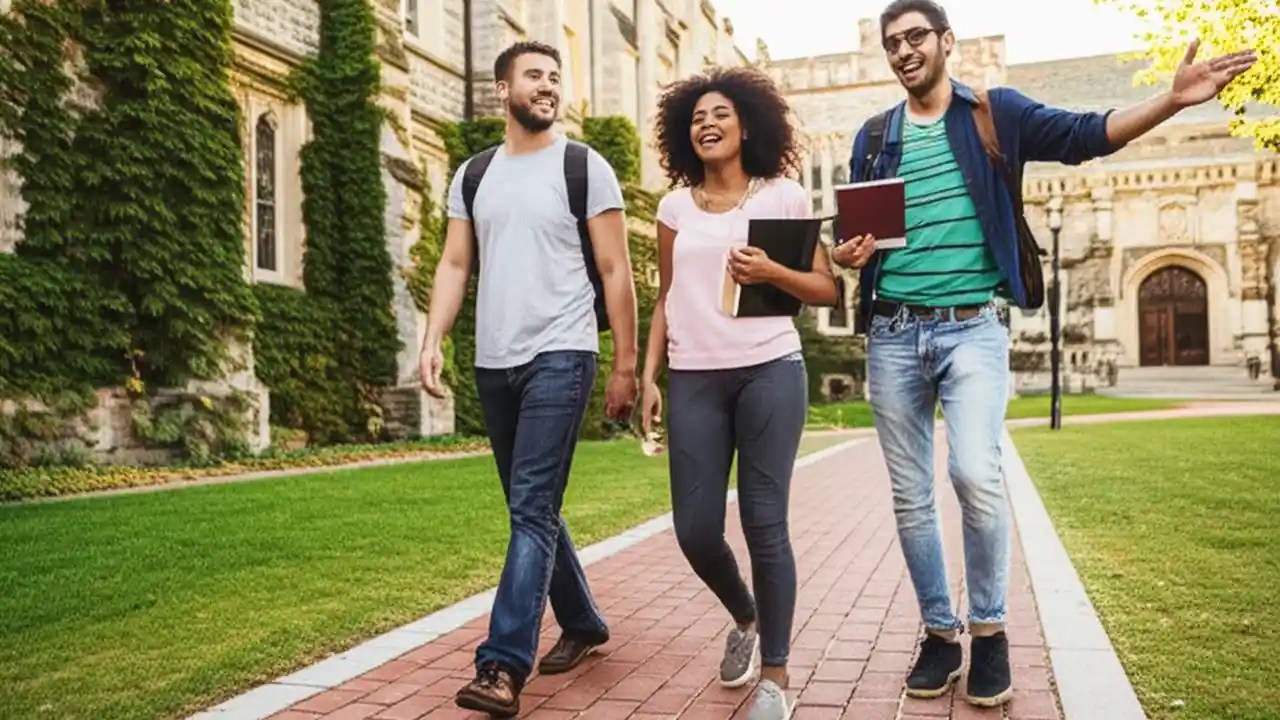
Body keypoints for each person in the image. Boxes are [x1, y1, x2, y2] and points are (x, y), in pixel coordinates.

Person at [830, 0, 1256, 708]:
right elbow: (858, 240)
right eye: (891, 43)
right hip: (893, 332)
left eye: (915, 37)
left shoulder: (995, 113)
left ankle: (990, 630)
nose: (903, 50)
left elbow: (1087, 135)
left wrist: (1172, 100)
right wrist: (848, 254)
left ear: (946, 42)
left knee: (975, 471)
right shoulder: (874, 135)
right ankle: (940, 634)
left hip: (973, 329)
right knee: (910, 497)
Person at [419, 40, 639, 718]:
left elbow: (615, 270)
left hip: (562, 353)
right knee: (530, 507)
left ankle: (501, 665)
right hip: (495, 359)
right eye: (534, 75)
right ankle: (584, 622)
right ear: (502, 89)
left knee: (533, 505)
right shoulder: (473, 175)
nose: (548, 85)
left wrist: (626, 364)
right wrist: (432, 338)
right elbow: (455, 264)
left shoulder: (584, 166)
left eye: (554, 76)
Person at [639, 66, 842, 720]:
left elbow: (826, 288)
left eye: (720, 113)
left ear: (747, 125)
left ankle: (776, 677)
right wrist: (647, 376)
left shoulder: (783, 197)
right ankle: (746, 615)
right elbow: (666, 296)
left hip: (769, 370)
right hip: (694, 377)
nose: (708, 123)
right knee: (695, 530)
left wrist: (772, 269)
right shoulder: (674, 208)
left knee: (764, 521)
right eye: (697, 117)